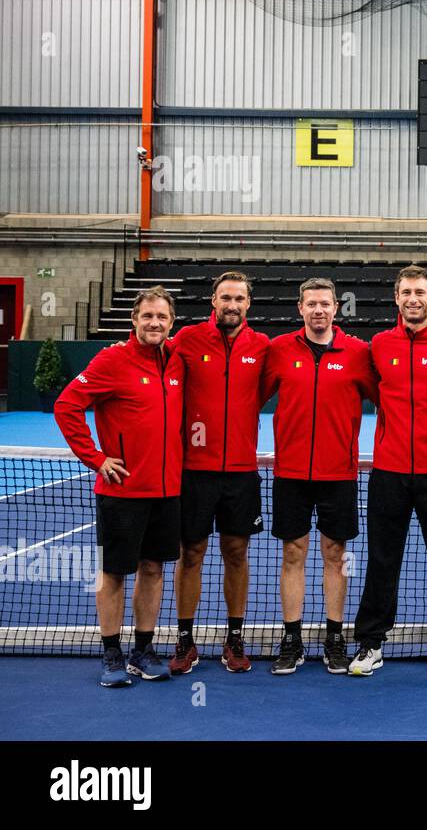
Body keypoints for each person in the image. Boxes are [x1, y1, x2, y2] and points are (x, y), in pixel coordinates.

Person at [54, 286, 185, 686]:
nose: (154, 323)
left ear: (171, 322)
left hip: (167, 492)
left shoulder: (177, 359)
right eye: (147, 316)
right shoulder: (112, 359)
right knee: (112, 574)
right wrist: (96, 459)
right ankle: (112, 652)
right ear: (134, 320)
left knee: (154, 570)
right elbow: (66, 406)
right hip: (122, 492)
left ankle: (142, 651)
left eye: (161, 317)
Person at [348, 265, 427, 678]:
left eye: (420, 291)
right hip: (389, 473)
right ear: (396, 298)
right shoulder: (379, 345)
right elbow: (369, 391)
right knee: (382, 559)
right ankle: (370, 642)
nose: (413, 298)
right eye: (405, 292)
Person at [260, 277, 376, 675]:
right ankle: (292, 638)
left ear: (336, 308)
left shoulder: (359, 353)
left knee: (335, 555)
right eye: (311, 304)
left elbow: (393, 396)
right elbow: (247, 396)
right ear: (300, 308)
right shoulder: (278, 351)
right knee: (292, 553)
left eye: (325, 303)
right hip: (290, 473)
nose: (318, 310)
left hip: (338, 473)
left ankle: (334, 637)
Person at [167, 271, 269, 675]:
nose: (232, 304)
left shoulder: (262, 347)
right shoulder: (187, 340)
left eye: (239, 298)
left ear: (248, 304)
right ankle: (185, 639)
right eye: (225, 297)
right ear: (213, 301)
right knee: (189, 554)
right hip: (194, 473)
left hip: (241, 474)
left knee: (236, 553)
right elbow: (153, 352)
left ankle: (234, 636)